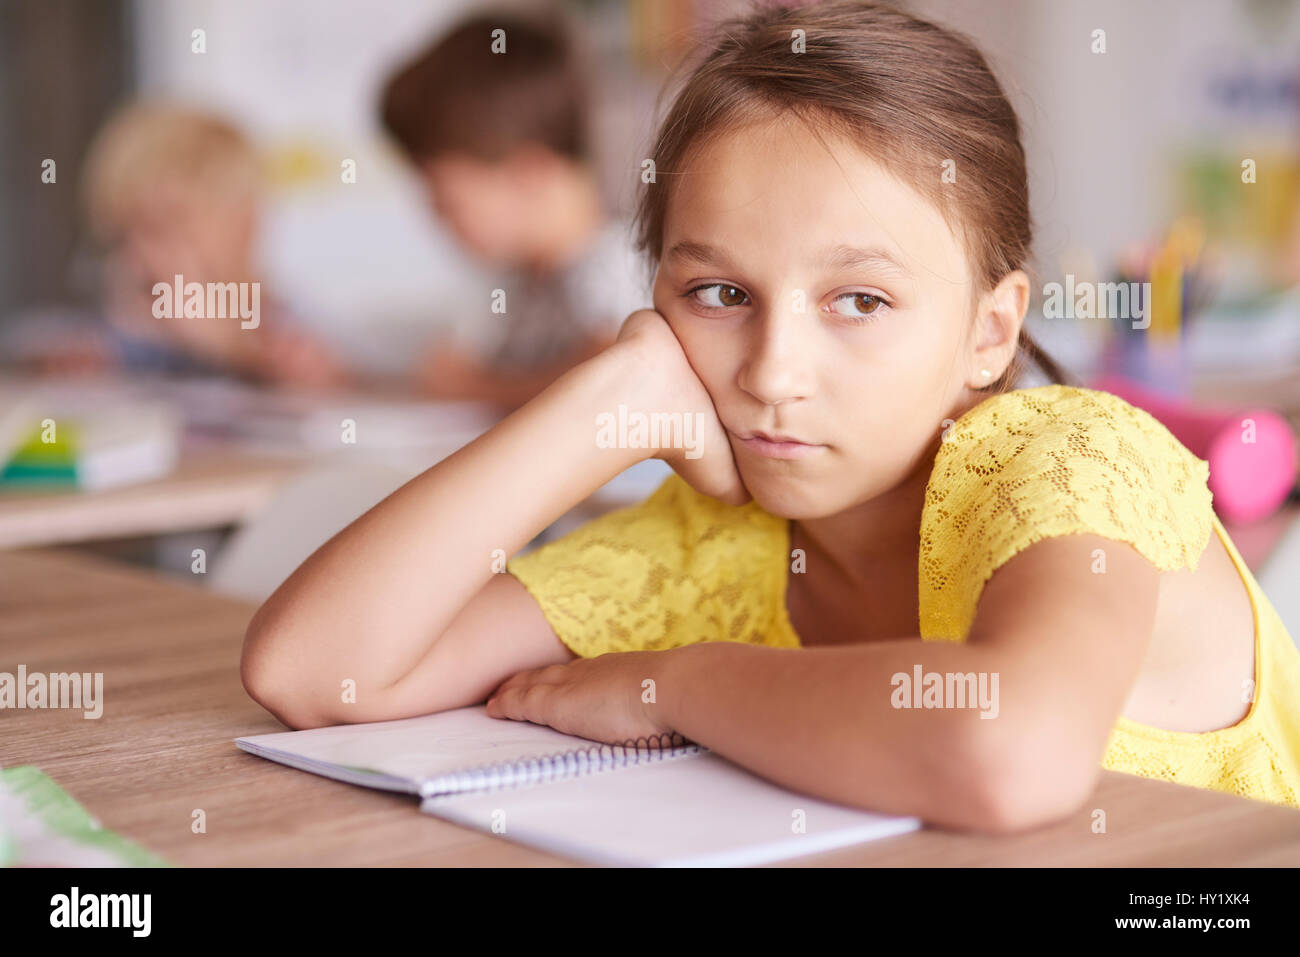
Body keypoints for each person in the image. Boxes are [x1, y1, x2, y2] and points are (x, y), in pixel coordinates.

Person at [242, 1, 1300, 831]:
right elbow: (314, 673)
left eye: (860, 301)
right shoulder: (720, 540)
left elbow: (1004, 750)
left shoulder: (1072, 458)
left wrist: (675, 684)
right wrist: (602, 403)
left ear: (989, 331)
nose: (772, 373)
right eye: (718, 295)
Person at [379, 11, 643, 410]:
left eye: (448, 199)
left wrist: (476, 388)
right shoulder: (523, 283)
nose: (434, 215)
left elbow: (617, 376)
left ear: (529, 174)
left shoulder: (614, 266)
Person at [57, 102, 349, 386]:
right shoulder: (110, 339)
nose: (139, 255)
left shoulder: (284, 329)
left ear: (245, 225)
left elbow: (323, 385)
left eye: (161, 230)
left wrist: (228, 344)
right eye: (122, 237)